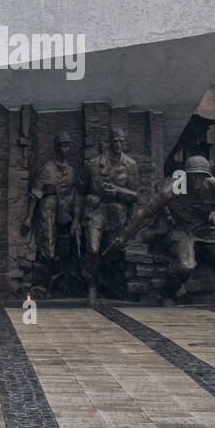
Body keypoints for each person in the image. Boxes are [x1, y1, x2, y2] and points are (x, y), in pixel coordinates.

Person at [112, 155, 215, 298]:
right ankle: (168, 292)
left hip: (205, 228)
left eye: (201, 176)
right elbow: (145, 213)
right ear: (187, 175)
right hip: (181, 229)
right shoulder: (172, 189)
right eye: (194, 176)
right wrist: (124, 236)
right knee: (185, 267)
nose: (197, 180)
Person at [80, 127, 139, 303]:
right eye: (115, 141)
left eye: (121, 141)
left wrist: (117, 191)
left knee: (115, 250)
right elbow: (79, 190)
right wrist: (80, 213)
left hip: (117, 214)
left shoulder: (131, 165)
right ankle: (91, 286)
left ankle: (110, 284)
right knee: (92, 249)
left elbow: (135, 196)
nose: (118, 144)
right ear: (109, 142)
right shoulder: (93, 164)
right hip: (96, 211)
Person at [21, 132, 80, 298]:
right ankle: (41, 287)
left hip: (64, 213)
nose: (65, 149)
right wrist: (29, 217)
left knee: (64, 249)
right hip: (47, 210)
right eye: (62, 145)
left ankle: (56, 287)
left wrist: (75, 218)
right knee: (48, 248)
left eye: (68, 146)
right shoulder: (47, 169)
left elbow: (74, 195)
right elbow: (35, 195)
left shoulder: (71, 170)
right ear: (56, 147)